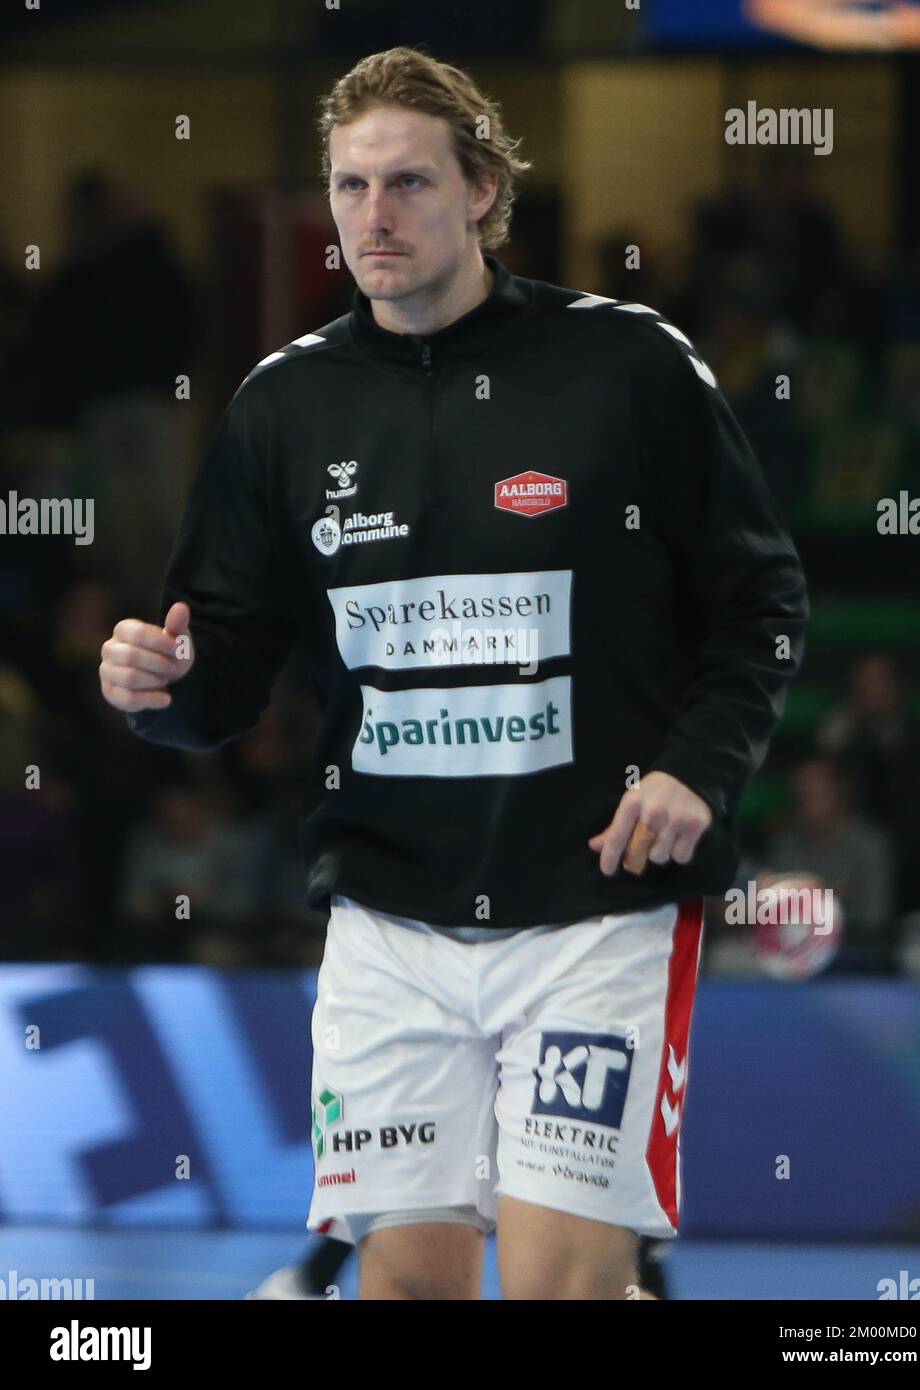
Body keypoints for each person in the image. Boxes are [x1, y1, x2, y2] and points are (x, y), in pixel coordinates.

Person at [99, 45, 809, 1300]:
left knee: (556, 1290)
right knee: (407, 1289)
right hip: (387, 919)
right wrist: (160, 688)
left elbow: (761, 597)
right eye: (349, 186)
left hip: (596, 905)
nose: (373, 217)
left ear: (482, 188)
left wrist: (699, 771)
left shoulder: (627, 365)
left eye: (410, 184)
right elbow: (227, 671)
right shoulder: (282, 407)